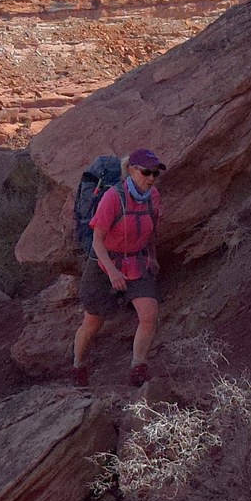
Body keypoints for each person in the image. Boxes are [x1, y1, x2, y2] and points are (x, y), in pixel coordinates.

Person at [72, 148, 165, 388]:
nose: (151, 178)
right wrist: (112, 272)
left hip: (136, 260)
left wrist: (152, 257)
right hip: (105, 263)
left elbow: (151, 230)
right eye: (146, 172)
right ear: (132, 170)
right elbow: (97, 240)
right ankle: (78, 366)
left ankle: (138, 367)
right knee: (93, 321)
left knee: (149, 314)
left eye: (155, 173)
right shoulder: (113, 197)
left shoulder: (153, 196)